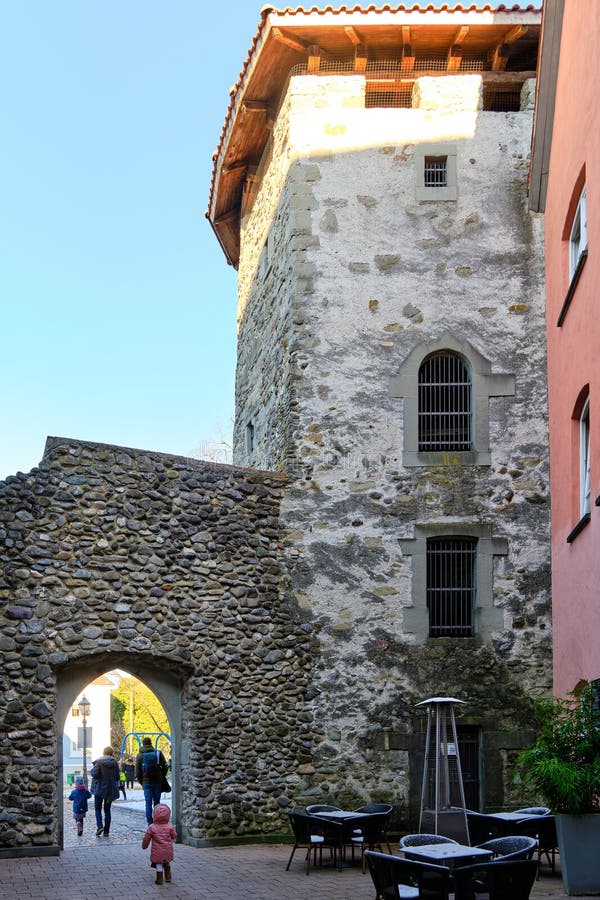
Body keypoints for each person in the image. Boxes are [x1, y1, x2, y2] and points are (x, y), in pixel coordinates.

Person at [136, 737, 168, 826]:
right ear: (151, 743)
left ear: (143, 744)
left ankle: (150, 823)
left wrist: (141, 781)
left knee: (148, 803)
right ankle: (157, 821)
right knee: (157, 802)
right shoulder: (158, 753)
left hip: (146, 782)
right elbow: (165, 766)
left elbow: (137, 772)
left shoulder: (140, 755)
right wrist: (161, 776)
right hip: (157, 781)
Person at [141, 803, 176, 884]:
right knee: (167, 862)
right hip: (168, 850)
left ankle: (159, 880)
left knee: (159, 864)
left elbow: (146, 838)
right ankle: (168, 877)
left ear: (154, 815)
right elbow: (174, 836)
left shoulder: (152, 827)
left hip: (157, 851)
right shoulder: (169, 826)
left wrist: (144, 846)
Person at [90, 746, 120, 836]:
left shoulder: (99, 762)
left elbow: (94, 774)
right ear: (111, 753)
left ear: (103, 752)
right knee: (107, 810)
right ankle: (106, 831)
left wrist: (93, 768)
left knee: (98, 809)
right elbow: (117, 777)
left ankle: (100, 826)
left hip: (99, 790)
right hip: (110, 791)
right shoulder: (115, 763)